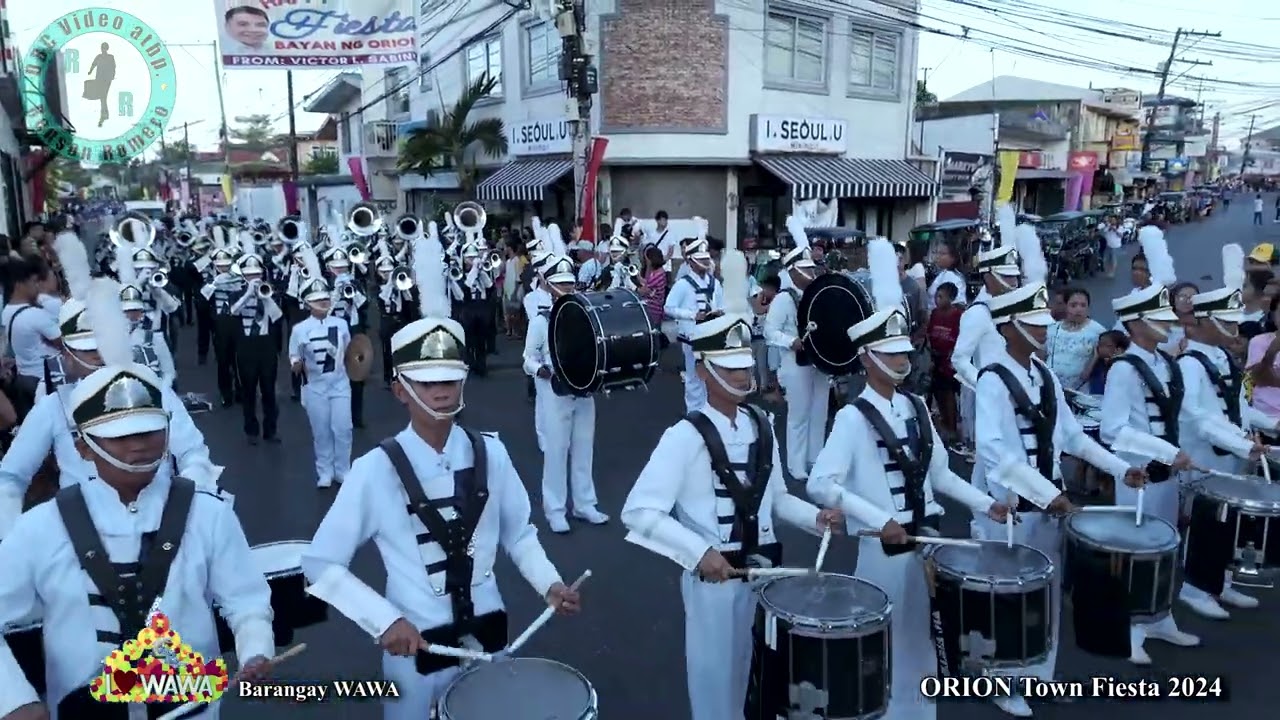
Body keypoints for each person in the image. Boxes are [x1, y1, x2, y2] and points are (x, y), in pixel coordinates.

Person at [302, 222, 580, 720]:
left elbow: (519, 534)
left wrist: (549, 584)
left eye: (451, 378)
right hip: (416, 644)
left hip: (489, 632)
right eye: (428, 382)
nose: (443, 392)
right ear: (400, 389)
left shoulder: (491, 453)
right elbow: (322, 563)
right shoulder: (375, 470)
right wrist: (384, 622)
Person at [622, 249, 841, 720]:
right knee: (715, 685)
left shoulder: (762, 423)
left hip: (767, 574)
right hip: (714, 582)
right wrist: (698, 553)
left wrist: (815, 517)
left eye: (746, 363)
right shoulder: (683, 435)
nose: (744, 373)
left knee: (761, 679)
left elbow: (777, 498)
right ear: (703, 369)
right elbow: (640, 511)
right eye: (731, 364)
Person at [0, 352, 275, 720]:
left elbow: (246, 601)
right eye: (121, 436)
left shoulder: (209, 514)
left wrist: (255, 649)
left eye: (149, 430)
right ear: (83, 448)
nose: (139, 444)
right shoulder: (42, 527)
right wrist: (15, 700)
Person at [807, 237, 1008, 720]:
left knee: (923, 642)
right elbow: (820, 484)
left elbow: (940, 475)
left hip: (927, 542)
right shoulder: (854, 417)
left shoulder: (917, 406)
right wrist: (878, 519)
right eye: (892, 354)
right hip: (883, 552)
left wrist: (986, 504)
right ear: (868, 359)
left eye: (903, 353)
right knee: (878, 649)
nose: (903, 360)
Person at [973, 280, 1142, 716]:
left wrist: (1122, 469)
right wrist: (1048, 496)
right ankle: (1001, 679)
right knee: (1008, 594)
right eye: (1032, 319)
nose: (1045, 325)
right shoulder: (992, 379)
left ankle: (1040, 676)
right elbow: (993, 450)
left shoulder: (1043, 373)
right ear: (1010, 326)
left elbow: (1071, 437)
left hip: (1049, 503)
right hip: (1010, 508)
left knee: (1047, 593)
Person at [0, 279, 220, 538]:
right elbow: (11, 476)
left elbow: (192, 451)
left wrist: (193, 501)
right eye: (88, 349)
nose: (99, 355)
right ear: (67, 355)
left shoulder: (154, 390)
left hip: (159, 522)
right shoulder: (54, 404)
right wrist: (11, 536)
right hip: (83, 533)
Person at [1101, 225, 1200, 665]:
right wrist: (1165, 453)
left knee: (1165, 549)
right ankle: (1129, 627)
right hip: (1141, 475)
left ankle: (1160, 616)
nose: (1168, 324)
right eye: (1159, 319)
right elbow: (1113, 431)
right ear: (1136, 324)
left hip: (1168, 475)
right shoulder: (1125, 369)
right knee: (1136, 552)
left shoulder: (1164, 362)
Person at [1177, 245, 1273, 619]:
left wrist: (1270, 425)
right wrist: (1242, 444)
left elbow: (1236, 407)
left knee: (1228, 524)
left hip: (1228, 452)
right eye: (1228, 321)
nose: (1236, 327)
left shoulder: (1221, 358)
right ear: (1205, 323)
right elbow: (1201, 419)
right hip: (1204, 455)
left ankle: (1221, 583)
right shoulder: (1189, 364)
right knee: (1205, 524)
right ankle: (1194, 588)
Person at [523, 255, 608, 533]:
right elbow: (528, 359)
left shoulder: (586, 314)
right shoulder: (540, 320)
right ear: (547, 284)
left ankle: (584, 504)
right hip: (555, 391)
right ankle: (555, 510)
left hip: (584, 390)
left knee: (585, 448)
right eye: (560, 283)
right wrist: (543, 372)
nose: (567, 288)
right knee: (557, 451)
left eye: (570, 283)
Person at [951, 206, 1023, 456]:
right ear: (989, 277)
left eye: (1014, 277)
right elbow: (959, 359)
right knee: (990, 461)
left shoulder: (1014, 306)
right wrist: (984, 384)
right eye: (1007, 277)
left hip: (1016, 393)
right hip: (991, 394)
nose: (1013, 283)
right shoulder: (978, 314)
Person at [765, 216, 827, 481]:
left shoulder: (819, 294)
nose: (810, 274)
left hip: (820, 361)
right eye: (805, 270)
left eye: (811, 269)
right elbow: (769, 332)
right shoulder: (783, 299)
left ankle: (816, 458)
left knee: (820, 412)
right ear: (791, 272)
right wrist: (791, 341)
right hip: (796, 361)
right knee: (799, 414)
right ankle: (796, 464)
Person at [289, 246, 353, 489]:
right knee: (322, 431)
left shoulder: (342, 324)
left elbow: (349, 351)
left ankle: (343, 469)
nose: (323, 303)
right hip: (314, 386)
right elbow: (294, 354)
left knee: (343, 428)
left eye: (325, 299)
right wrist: (296, 364)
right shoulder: (299, 329)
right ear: (308, 304)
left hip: (340, 383)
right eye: (317, 301)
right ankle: (324, 471)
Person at [663, 221, 724, 413]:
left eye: (706, 259)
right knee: (694, 376)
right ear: (690, 261)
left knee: (713, 375)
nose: (705, 263)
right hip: (692, 337)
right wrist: (691, 315)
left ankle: (710, 411)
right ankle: (694, 412)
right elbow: (668, 308)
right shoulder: (683, 284)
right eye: (701, 259)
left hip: (713, 334)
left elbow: (722, 303)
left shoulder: (715, 282)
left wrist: (720, 312)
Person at [229, 254, 283, 444]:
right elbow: (233, 311)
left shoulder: (270, 292)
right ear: (243, 275)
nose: (254, 277)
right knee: (248, 391)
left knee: (269, 390)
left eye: (257, 274)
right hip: (246, 347)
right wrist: (247, 294)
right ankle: (251, 430)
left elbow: (277, 317)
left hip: (266, 346)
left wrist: (266, 298)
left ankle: (271, 430)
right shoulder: (236, 293)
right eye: (250, 274)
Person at [1, 258, 62, 416]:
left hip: (23, 377)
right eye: (33, 282)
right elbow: (62, 342)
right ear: (20, 285)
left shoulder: (6, 311)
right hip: (44, 378)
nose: (36, 286)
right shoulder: (35, 315)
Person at [1044, 288, 1106, 391]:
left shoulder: (1098, 332)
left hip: (1079, 390)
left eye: (1083, 305)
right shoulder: (1052, 328)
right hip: (1050, 388)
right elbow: (1042, 355)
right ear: (1065, 307)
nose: (1078, 309)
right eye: (1073, 305)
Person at [927, 281, 963, 440]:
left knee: (948, 394)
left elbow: (961, 337)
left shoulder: (958, 316)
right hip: (935, 358)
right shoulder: (934, 314)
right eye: (936, 296)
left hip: (949, 361)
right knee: (937, 392)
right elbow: (929, 333)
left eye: (941, 296)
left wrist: (952, 354)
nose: (937, 299)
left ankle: (952, 427)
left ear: (951, 298)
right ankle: (944, 423)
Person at [926, 240, 967, 310]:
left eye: (942, 254)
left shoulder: (953, 277)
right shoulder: (942, 273)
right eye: (936, 253)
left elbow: (957, 305)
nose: (937, 256)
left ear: (953, 257)